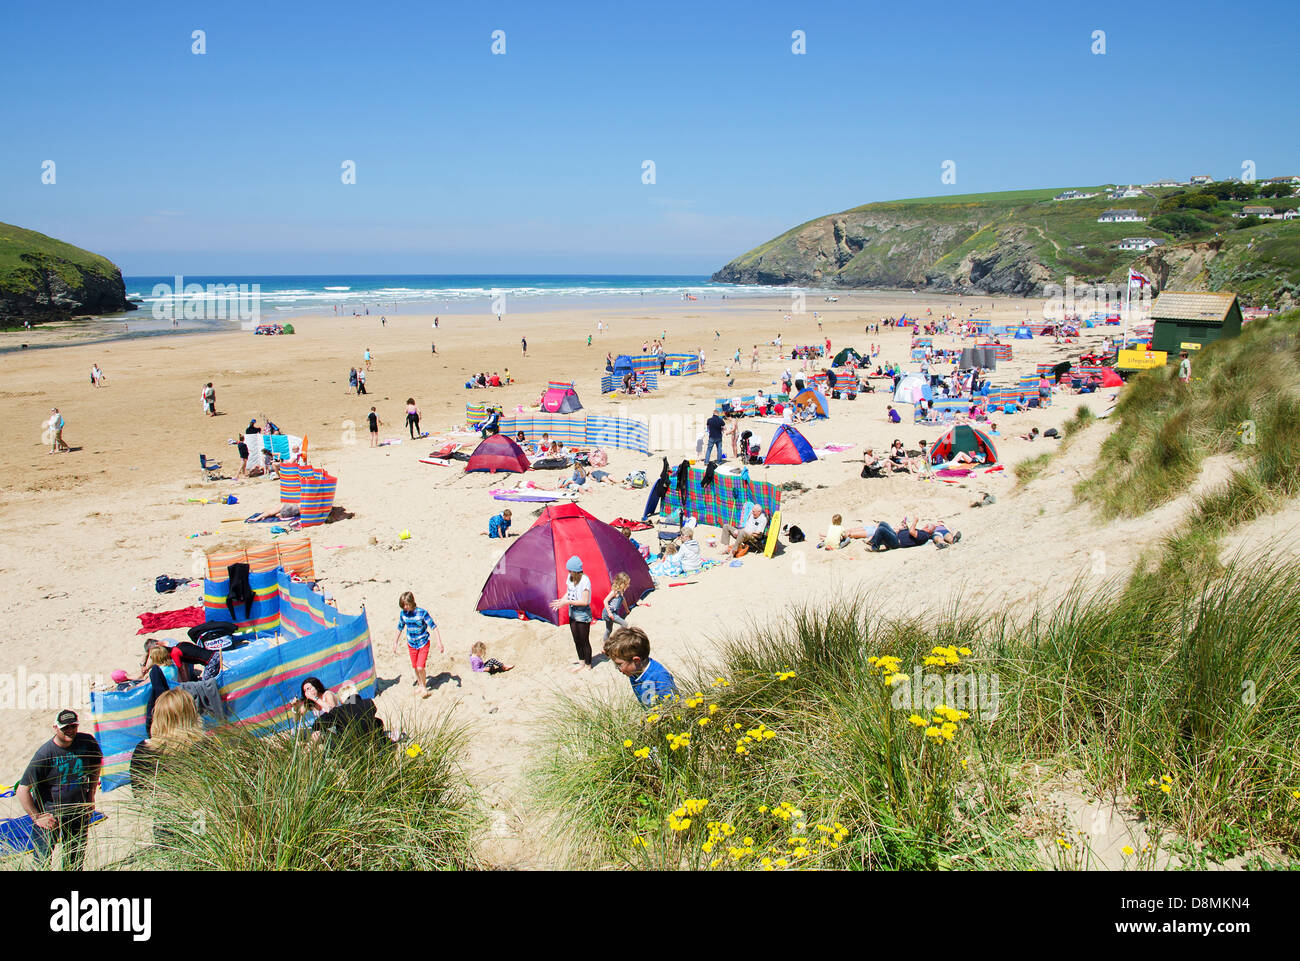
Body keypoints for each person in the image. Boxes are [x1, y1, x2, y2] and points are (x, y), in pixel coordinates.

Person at [17, 710, 102, 870]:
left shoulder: (87, 742)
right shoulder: (45, 754)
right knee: (41, 861)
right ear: (55, 727)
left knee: (75, 859)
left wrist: (90, 796)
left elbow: (95, 765)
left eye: (73, 726)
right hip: (51, 815)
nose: (70, 730)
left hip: (78, 810)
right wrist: (37, 817)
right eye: (65, 728)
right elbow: (22, 790)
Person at [128, 690, 205, 843]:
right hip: (198, 815)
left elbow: (140, 792)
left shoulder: (145, 749)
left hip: (165, 816)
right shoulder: (203, 745)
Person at [605, 627, 678, 708]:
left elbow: (674, 706)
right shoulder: (634, 673)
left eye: (619, 665)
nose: (618, 669)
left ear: (636, 660)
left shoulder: (659, 677)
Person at [394, 591, 444, 698]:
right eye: (403, 606)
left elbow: (434, 627)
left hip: (423, 643)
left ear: (412, 603)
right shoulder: (403, 614)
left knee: (420, 667)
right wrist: (395, 642)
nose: (405, 607)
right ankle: (420, 685)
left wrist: (439, 642)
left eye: (407, 605)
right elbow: (400, 627)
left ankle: (424, 687)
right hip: (411, 643)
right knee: (415, 667)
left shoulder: (422, 613)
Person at [550, 556, 594, 672]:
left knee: (584, 640)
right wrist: (561, 601)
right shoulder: (570, 578)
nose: (569, 572)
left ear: (576, 570)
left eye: (570, 570)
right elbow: (569, 593)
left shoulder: (585, 580)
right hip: (573, 611)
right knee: (576, 639)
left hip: (583, 613)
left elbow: (585, 601)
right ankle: (581, 663)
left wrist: (567, 602)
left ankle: (588, 666)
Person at [866, 517, 932, 552]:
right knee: (883, 523)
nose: (925, 526)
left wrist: (915, 522)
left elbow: (912, 532)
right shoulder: (921, 532)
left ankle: (875, 547)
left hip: (897, 542)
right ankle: (873, 541)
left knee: (881, 529)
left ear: (929, 530)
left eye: (926, 526)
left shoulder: (924, 535)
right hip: (896, 536)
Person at [602, 571, 632, 643]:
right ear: (621, 584)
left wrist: (627, 609)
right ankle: (617, 639)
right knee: (624, 624)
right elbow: (605, 601)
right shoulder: (614, 592)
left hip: (613, 612)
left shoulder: (621, 591)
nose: (628, 585)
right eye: (626, 584)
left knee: (609, 629)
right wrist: (609, 613)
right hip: (608, 613)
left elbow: (623, 600)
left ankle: (605, 642)